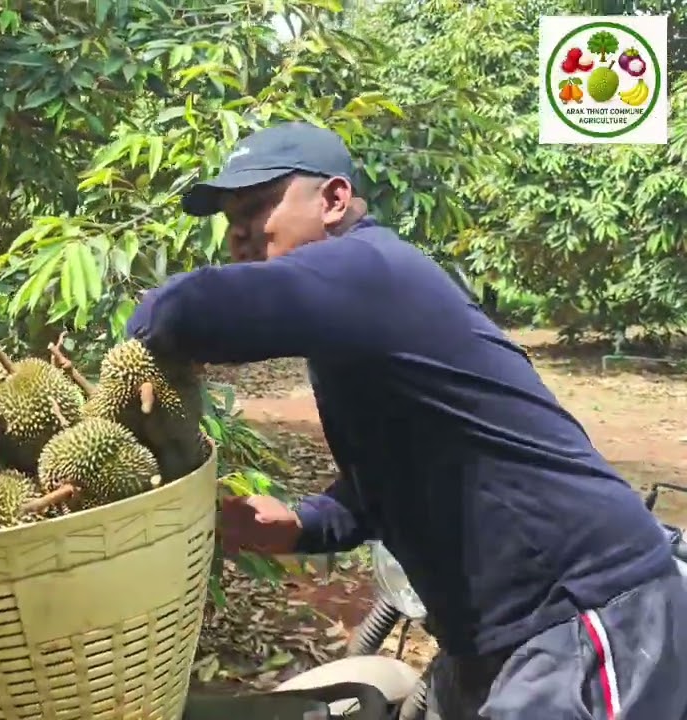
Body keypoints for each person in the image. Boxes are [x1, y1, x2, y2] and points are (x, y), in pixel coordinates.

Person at [126, 121, 687, 720]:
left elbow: (189, 310)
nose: (237, 233)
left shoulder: (370, 268)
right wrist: (300, 525)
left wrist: (137, 341)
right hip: (487, 635)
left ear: (334, 199)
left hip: (587, 612)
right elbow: (387, 481)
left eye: (256, 207)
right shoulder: (346, 322)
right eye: (229, 219)